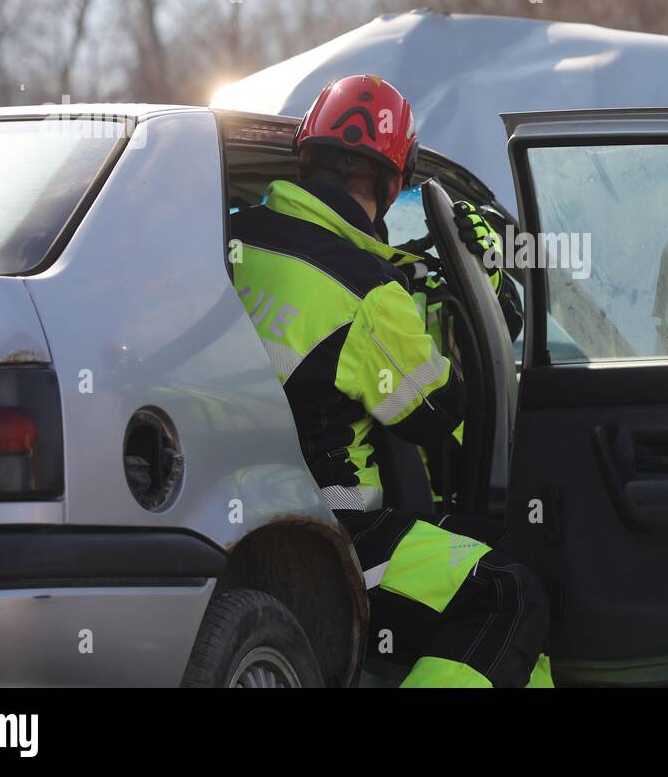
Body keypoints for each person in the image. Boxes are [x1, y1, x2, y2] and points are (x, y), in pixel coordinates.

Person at [231, 74, 551, 687]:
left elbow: (332, 273)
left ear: (307, 156)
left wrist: (411, 274)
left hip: (247, 523)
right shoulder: (368, 294)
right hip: (339, 536)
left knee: (513, 638)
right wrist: (483, 282)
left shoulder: (236, 240)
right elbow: (437, 411)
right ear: (393, 181)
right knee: (509, 595)